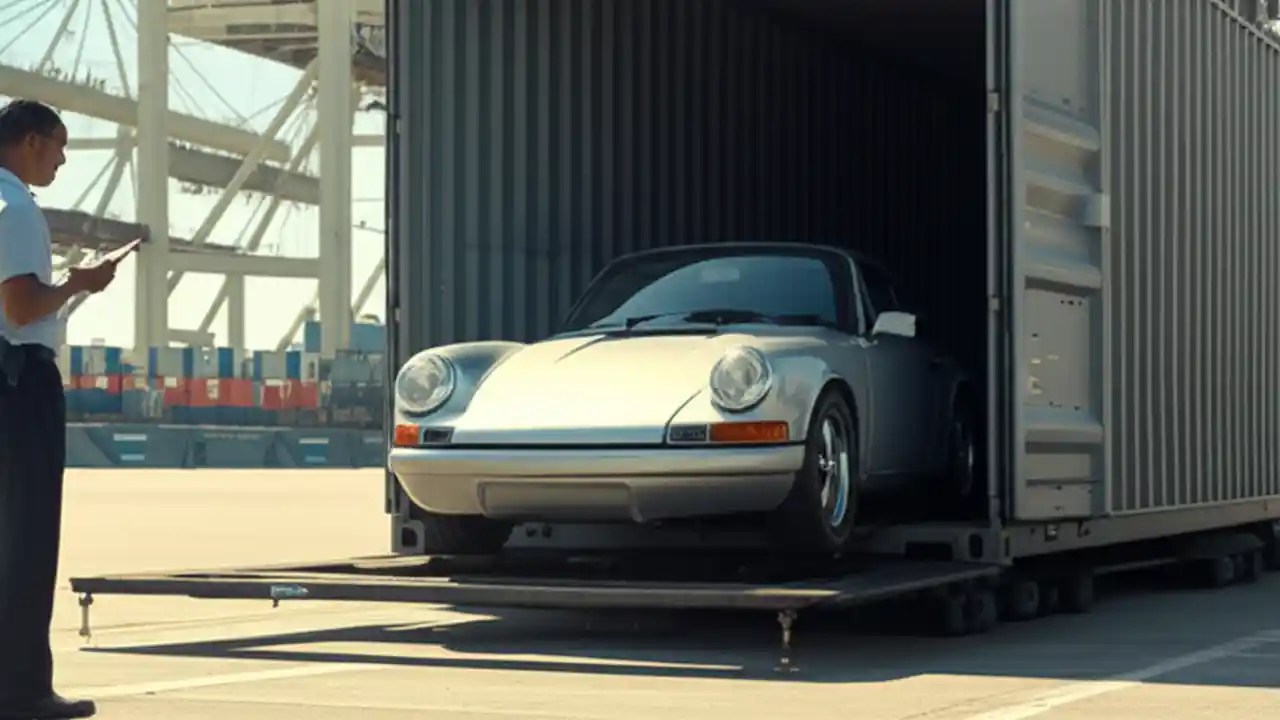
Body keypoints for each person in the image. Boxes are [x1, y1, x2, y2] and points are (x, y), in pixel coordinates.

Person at [0, 99, 118, 719]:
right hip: (18, 384)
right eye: (59, 144)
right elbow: (21, 309)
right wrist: (79, 283)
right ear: (29, 142)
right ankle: (21, 691)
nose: (64, 159)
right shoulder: (16, 209)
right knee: (26, 540)